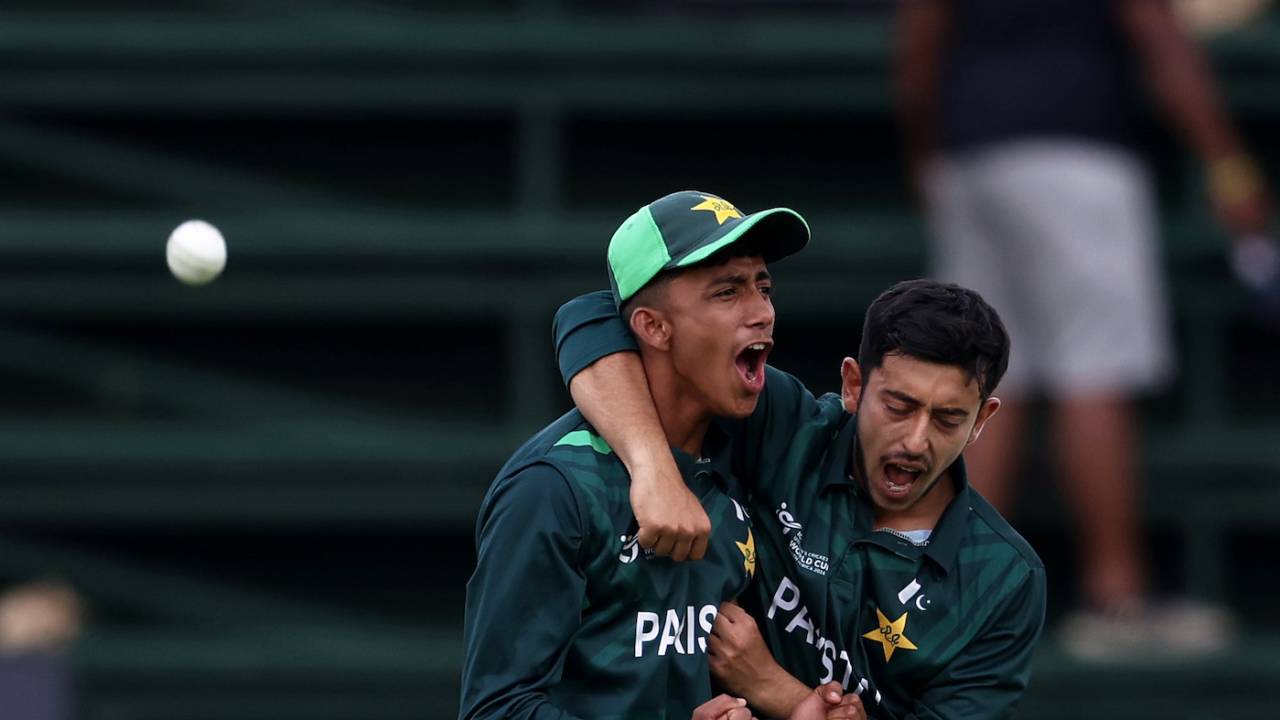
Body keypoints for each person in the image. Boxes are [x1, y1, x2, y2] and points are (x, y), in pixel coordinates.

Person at [895, 0, 1272, 658]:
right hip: (1077, 155)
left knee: (983, 380)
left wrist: (928, 152)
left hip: (970, 158)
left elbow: (920, 39)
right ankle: (1115, 597)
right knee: (1093, 372)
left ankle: (951, 596)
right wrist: (1227, 163)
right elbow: (1156, 30)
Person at [555, 279, 1046, 719]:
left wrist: (774, 689)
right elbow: (592, 318)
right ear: (853, 385)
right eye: (898, 407)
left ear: (982, 420)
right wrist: (653, 469)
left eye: (948, 419)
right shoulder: (787, 430)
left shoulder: (1005, 578)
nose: (916, 441)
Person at [459, 190, 816, 720]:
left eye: (763, 286)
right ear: (653, 327)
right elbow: (495, 711)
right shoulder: (554, 488)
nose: (761, 312)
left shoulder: (750, 437)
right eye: (727, 291)